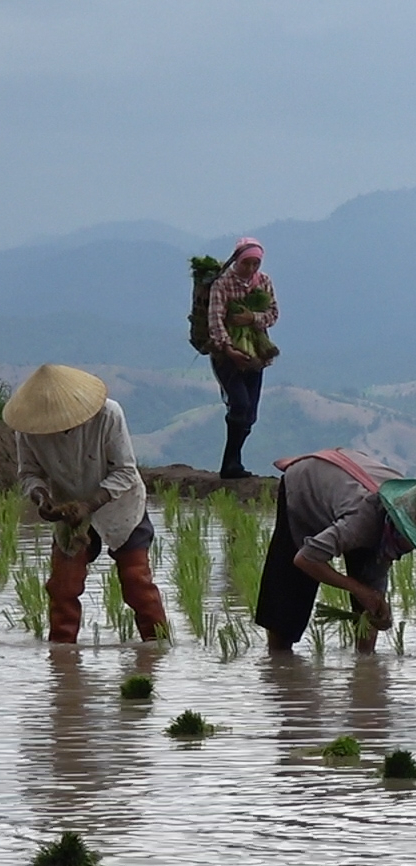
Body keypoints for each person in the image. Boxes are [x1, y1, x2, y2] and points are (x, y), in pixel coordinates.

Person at [4, 364, 169, 644]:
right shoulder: (29, 428)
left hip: (120, 507)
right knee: (63, 589)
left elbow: (126, 471)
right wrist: (42, 499)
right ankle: (62, 659)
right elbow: (29, 474)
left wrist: (90, 504)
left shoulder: (107, 414)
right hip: (69, 515)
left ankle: (158, 650)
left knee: (136, 583)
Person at [255, 448, 416, 654]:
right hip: (305, 485)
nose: (414, 547)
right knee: (287, 602)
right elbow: (305, 558)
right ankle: (277, 661)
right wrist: (358, 589)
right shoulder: (362, 521)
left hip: (348, 487)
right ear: (400, 526)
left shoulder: (408, 512)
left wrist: (375, 608)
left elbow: (375, 576)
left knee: (367, 600)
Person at [207, 237, 279, 479]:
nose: (250, 269)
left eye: (255, 264)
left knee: (250, 414)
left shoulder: (264, 282)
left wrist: (252, 319)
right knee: (239, 404)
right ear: (237, 260)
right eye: (246, 263)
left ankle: (233, 462)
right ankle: (230, 463)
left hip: (255, 354)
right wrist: (229, 350)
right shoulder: (222, 284)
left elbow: (273, 313)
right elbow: (215, 321)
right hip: (227, 356)